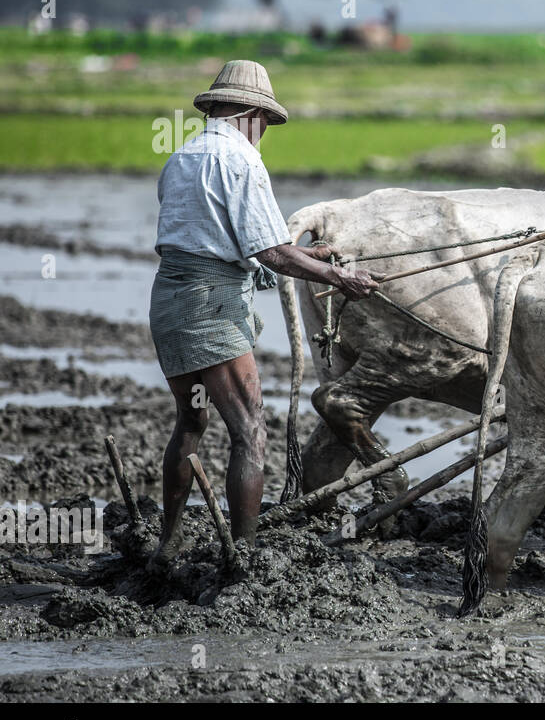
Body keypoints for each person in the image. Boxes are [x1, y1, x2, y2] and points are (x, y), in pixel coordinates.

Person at [148, 60, 378, 568]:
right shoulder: (240, 160)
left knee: (191, 420)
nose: (265, 136)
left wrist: (312, 258)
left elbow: (223, 240)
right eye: (265, 125)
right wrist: (341, 279)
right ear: (251, 114)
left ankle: (169, 543)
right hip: (213, 304)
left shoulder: (181, 157)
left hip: (170, 299)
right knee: (250, 430)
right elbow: (271, 252)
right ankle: (244, 554)